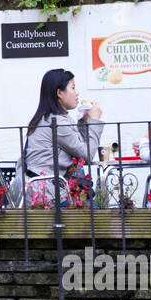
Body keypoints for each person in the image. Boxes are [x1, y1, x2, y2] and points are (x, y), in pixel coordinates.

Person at [10, 68, 104, 206]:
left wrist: (84, 122)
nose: (77, 93)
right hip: (45, 195)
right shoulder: (56, 122)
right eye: (73, 88)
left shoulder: (51, 118)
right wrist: (94, 121)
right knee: (97, 211)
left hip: (43, 190)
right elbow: (87, 155)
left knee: (93, 207)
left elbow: (80, 150)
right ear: (59, 93)